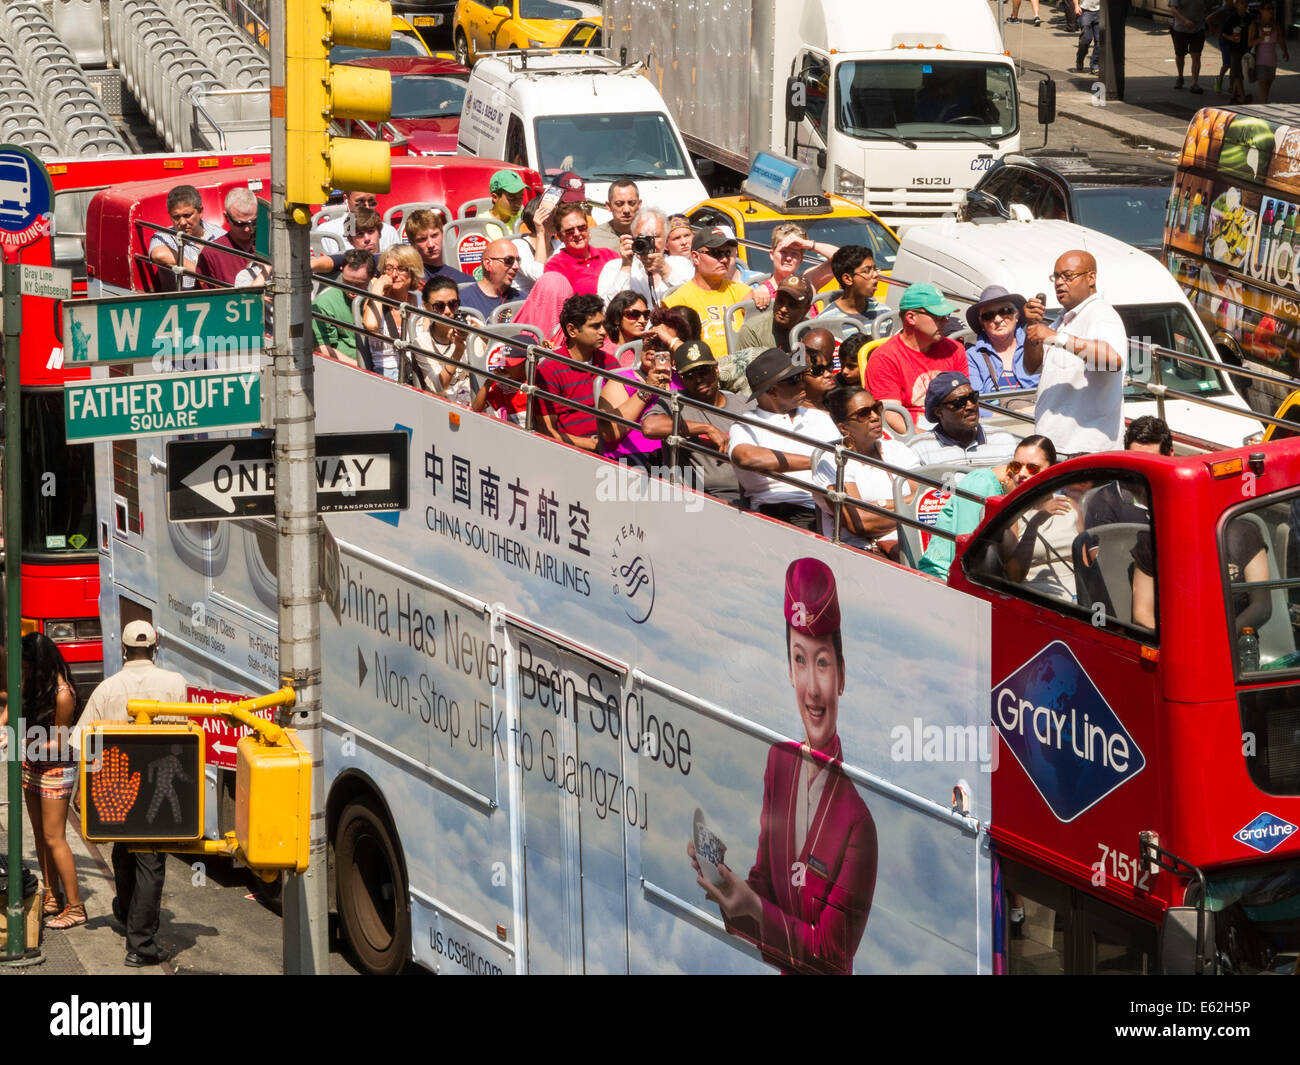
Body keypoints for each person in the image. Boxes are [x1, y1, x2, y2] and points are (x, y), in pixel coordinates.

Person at [688, 558, 876, 975]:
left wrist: (754, 909)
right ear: (789, 671)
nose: (812, 688)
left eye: (823, 663)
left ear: (842, 675)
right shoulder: (780, 764)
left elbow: (830, 953)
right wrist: (725, 886)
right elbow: (763, 888)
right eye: (799, 660)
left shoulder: (858, 823)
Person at [72, 621, 187, 966]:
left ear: (124, 650)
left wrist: (81, 789)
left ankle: (126, 913)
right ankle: (141, 945)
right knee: (150, 862)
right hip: (156, 785)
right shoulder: (175, 684)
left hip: (118, 784)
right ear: (156, 648)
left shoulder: (107, 688)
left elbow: (82, 742)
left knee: (124, 850)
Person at [1024, 249, 1128, 456]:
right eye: (1056, 276)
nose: (1059, 283)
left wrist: (1055, 337)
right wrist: (1033, 327)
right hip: (1055, 445)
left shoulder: (1101, 313)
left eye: (1068, 276)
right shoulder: (1062, 320)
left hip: (1085, 449)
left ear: (1091, 278)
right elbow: (1031, 367)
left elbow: (1113, 360)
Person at [728, 347, 839, 529]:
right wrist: (816, 460)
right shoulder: (746, 424)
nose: (803, 384)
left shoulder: (820, 417)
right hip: (783, 511)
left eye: (802, 376)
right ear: (772, 391)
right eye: (794, 379)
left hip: (834, 507)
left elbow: (844, 462)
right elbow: (747, 457)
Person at [919, 435, 1058, 579]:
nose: (1022, 474)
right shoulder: (980, 485)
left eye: (1032, 468)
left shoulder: (1020, 493)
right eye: (1016, 466)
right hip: (945, 577)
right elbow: (969, 557)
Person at [20, 633, 83, 932]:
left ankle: (76, 906)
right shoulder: (36, 687)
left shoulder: (62, 694)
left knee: (55, 837)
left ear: (40, 663)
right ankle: (51, 895)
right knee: (40, 836)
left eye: (28, 665)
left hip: (56, 770)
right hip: (32, 766)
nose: (24, 671)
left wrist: (24, 743)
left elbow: (60, 743)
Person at [813, 384, 919, 559]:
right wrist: (909, 507)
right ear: (843, 427)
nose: (876, 417)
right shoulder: (833, 462)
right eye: (863, 414)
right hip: (864, 552)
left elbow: (924, 498)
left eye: (876, 408)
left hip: (912, 539)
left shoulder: (897, 449)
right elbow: (861, 523)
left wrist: (881, 505)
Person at [641, 340, 751, 507]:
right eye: (690, 375)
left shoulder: (745, 404)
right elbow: (650, 427)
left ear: (715, 368)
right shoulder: (676, 402)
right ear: (682, 378)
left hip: (755, 493)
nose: (698, 379)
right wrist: (705, 428)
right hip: (708, 500)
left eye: (704, 371)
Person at [866, 282, 967, 434]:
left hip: (955, 429)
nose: (946, 321)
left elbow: (966, 400)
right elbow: (891, 417)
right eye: (939, 316)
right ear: (911, 317)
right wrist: (932, 441)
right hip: (911, 438)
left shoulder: (955, 349)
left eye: (947, 316)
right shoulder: (884, 358)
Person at [533, 293, 612, 452]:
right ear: (572, 330)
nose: (603, 331)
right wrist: (593, 445)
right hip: (570, 455)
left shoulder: (610, 364)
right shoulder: (548, 370)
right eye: (595, 326)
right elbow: (547, 431)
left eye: (603, 325)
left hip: (613, 449)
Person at [665, 225, 751, 360]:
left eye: (727, 253)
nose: (724, 259)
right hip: (702, 374)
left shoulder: (742, 291)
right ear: (695, 257)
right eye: (716, 253)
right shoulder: (676, 301)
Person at [596, 329, 676, 470]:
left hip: (678, 455)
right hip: (635, 459)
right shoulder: (622, 380)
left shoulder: (684, 379)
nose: (652, 348)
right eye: (649, 341)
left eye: (660, 343)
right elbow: (610, 432)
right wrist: (647, 389)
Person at [909, 371, 1018, 465]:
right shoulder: (919, 449)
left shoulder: (1003, 440)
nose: (971, 406)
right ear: (938, 412)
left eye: (973, 397)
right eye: (959, 402)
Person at [596, 207, 694, 304]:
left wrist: (664, 270)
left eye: (656, 236)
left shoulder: (682, 264)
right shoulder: (614, 267)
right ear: (632, 237)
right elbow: (606, 308)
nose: (650, 242)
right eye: (643, 237)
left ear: (666, 239)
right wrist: (626, 266)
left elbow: (695, 300)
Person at [964, 285, 1039, 397]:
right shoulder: (972, 357)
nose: (998, 319)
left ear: (1016, 315)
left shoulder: (1037, 347)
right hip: (996, 414)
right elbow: (976, 403)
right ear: (981, 323)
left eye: (1005, 311)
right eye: (988, 315)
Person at [362, 244, 423, 380]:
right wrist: (378, 285)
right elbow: (371, 325)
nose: (394, 274)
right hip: (386, 374)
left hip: (419, 372)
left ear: (413, 272)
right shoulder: (374, 300)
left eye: (402, 269)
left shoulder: (422, 302)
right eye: (389, 269)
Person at [149, 184, 223, 290]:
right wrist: (199, 273)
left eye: (187, 215)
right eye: (176, 217)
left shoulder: (219, 234)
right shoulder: (163, 237)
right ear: (170, 215)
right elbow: (159, 254)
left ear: (200, 211)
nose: (182, 222)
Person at [410, 275, 472, 401]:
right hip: (445, 406)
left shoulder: (472, 330)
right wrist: (458, 351)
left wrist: (480, 336)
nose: (448, 311)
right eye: (439, 306)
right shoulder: (422, 343)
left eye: (453, 304)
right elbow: (438, 387)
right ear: (426, 306)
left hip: (475, 403)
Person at [312, 248, 376, 366]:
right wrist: (360, 366)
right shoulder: (324, 303)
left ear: (371, 277)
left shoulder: (380, 293)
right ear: (341, 271)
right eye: (347, 282)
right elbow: (321, 348)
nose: (352, 290)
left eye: (359, 284)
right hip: (347, 369)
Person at [750, 223, 837, 310]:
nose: (788, 258)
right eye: (783, 252)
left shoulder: (808, 283)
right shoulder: (761, 292)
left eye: (794, 253)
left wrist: (808, 244)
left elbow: (844, 259)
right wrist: (754, 296)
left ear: (801, 259)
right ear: (772, 255)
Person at [543, 201, 619, 295]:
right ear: (560, 236)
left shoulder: (609, 256)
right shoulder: (555, 266)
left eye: (581, 227)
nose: (577, 234)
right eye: (570, 231)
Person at [196, 187, 260, 287]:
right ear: (226, 217)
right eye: (239, 224)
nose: (247, 229)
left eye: (253, 222)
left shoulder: (271, 244)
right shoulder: (211, 253)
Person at [736, 275, 814, 353]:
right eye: (780, 301)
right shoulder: (753, 331)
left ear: (806, 310)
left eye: (792, 305)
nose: (783, 309)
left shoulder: (810, 332)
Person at [472, 333, 532, 424]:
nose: (505, 367)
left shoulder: (537, 383)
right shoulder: (504, 385)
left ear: (525, 364)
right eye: (504, 363)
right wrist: (488, 382)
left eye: (510, 365)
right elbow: (476, 408)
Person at [458, 238, 522, 320]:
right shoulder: (461, 300)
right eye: (509, 260)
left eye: (518, 260)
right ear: (488, 264)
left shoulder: (523, 301)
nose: (516, 266)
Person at [405, 209, 473, 286]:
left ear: (442, 234)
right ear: (412, 243)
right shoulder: (408, 279)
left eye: (434, 236)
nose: (431, 245)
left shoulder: (466, 280)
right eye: (422, 239)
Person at [818, 246, 881, 327]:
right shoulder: (826, 322)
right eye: (867, 271)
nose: (876, 274)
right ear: (847, 279)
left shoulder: (883, 312)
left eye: (875, 269)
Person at [318, 190, 400, 251]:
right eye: (360, 202)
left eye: (371, 202)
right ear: (346, 199)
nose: (367, 207)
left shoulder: (389, 231)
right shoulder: (326, 231)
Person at [511, 196, 553, 294]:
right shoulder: (519, 246)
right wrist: (540, 233)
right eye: (550, 214)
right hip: (523, 303)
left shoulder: (559, 245)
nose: (557, 219)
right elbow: (539, 275)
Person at [588, 178, 641, 252]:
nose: (626, 210)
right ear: (609, 206)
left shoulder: (652, 232)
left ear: (639, 204)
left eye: (631, 203)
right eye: (619, 204)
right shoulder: (592, 237)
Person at [1250, 1, 1288, 105]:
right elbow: (1249, 43)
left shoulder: (1276, 26)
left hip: (1272, 61)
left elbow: (1281, 40)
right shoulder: (1255, 25)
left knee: (1267, 89)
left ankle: (1263, 106)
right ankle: (1263, 110)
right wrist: (1261, 38)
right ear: (1261, 10)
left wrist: (1285, 51)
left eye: (1272, 8)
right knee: (1262, 87)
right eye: (1268, 8)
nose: (1271, 10)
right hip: (1259, 61)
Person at [1170, 0, 1209, 92]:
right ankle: (1180, 77)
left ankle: (1194, 83)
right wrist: (1185, 21)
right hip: (1180, 29)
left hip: (1198, 28)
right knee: (1180, 55)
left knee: (1196, 55)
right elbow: (1173, 9)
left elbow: (1209, 6)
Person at [603, 290, 649, 364]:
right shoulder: (602, 351)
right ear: (617, 319)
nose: (642, 320)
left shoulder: (648, 350)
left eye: (646, 314)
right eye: (634, 314)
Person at [799, 328, 839, 413]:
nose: (828, 374)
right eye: (818, 370)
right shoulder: (794, 411)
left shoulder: (840, 401)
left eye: (830, 366)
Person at [1219, 0, 1251, 103]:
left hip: (1245, 48)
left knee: (1240, 72)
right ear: (1236, 4)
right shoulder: (1232, 18)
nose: (1244, 5)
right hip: (1235, 49)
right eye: (1242, 3)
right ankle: (1242, 96)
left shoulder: (1249, 17)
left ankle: (1233, 97)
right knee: (1237, 73)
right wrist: (1231, 37)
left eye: (1246, 3)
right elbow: (1223, 32)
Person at [484, 168, 527, 235]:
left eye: (521, 197)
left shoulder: (523, 219)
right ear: (495, 197)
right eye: (512, 198)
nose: (518, 204)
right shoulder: (483, 225)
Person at [1075, 0, 1102, 75]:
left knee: (1100, 41)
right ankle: (1080, 58)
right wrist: (1076, 6)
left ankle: (1095, 65)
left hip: (1100, 11)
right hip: (1085, 12)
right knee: (1085, 39)